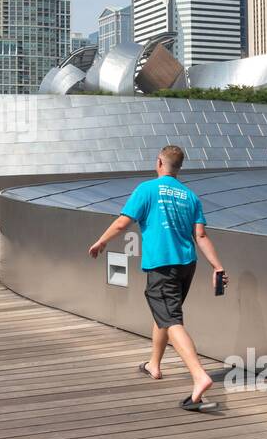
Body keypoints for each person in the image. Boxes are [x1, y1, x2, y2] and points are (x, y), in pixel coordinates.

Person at [88, 144, 227, 411]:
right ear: (179, 167)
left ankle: (199, 376)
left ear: (159, 163)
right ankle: (154, 364)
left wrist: (101, 242)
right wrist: (218, 267)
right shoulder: (190, 196)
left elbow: (122, 223)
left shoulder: (147, 189)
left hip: (162, 264)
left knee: (171, 318)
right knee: (164, 313)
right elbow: (200, 236)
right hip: (187, 264)